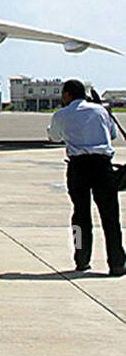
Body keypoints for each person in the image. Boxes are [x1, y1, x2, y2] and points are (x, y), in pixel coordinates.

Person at [48, 79, 124, 276]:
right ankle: (117, 262)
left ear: (67, 95)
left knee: (80, 215)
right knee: (110, 217)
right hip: (102, 165)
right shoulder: (100, 111)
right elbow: (113, 134)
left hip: (78, 167)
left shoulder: (61, 115)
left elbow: (54, 137)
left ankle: (81, 259)